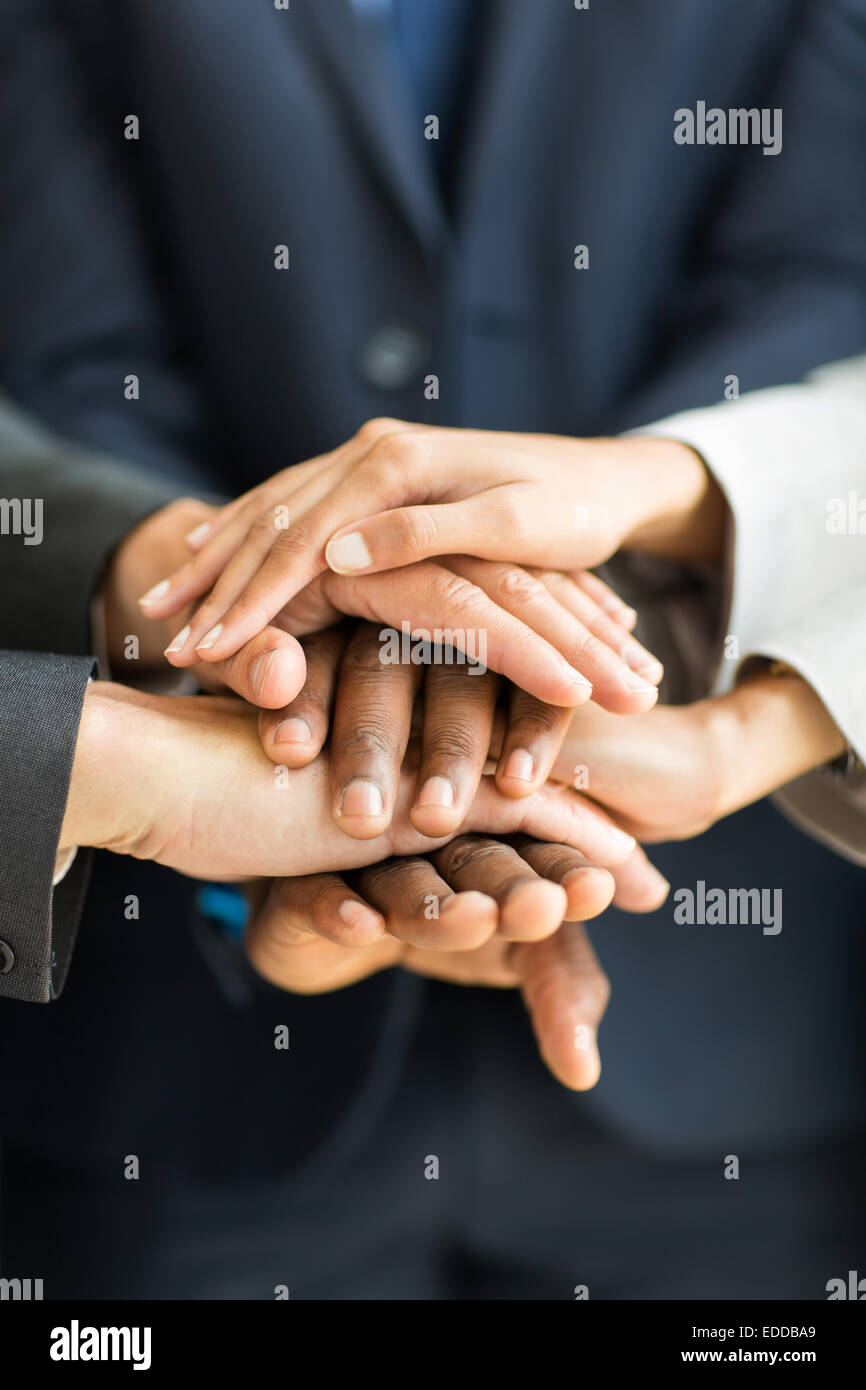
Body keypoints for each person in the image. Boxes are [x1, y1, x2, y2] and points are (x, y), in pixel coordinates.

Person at [0, 0, 865, 1298]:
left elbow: (819, 290)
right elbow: (78, 353)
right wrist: (226, 598)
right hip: (185, 1027)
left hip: (728, 1024)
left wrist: (528, 622)